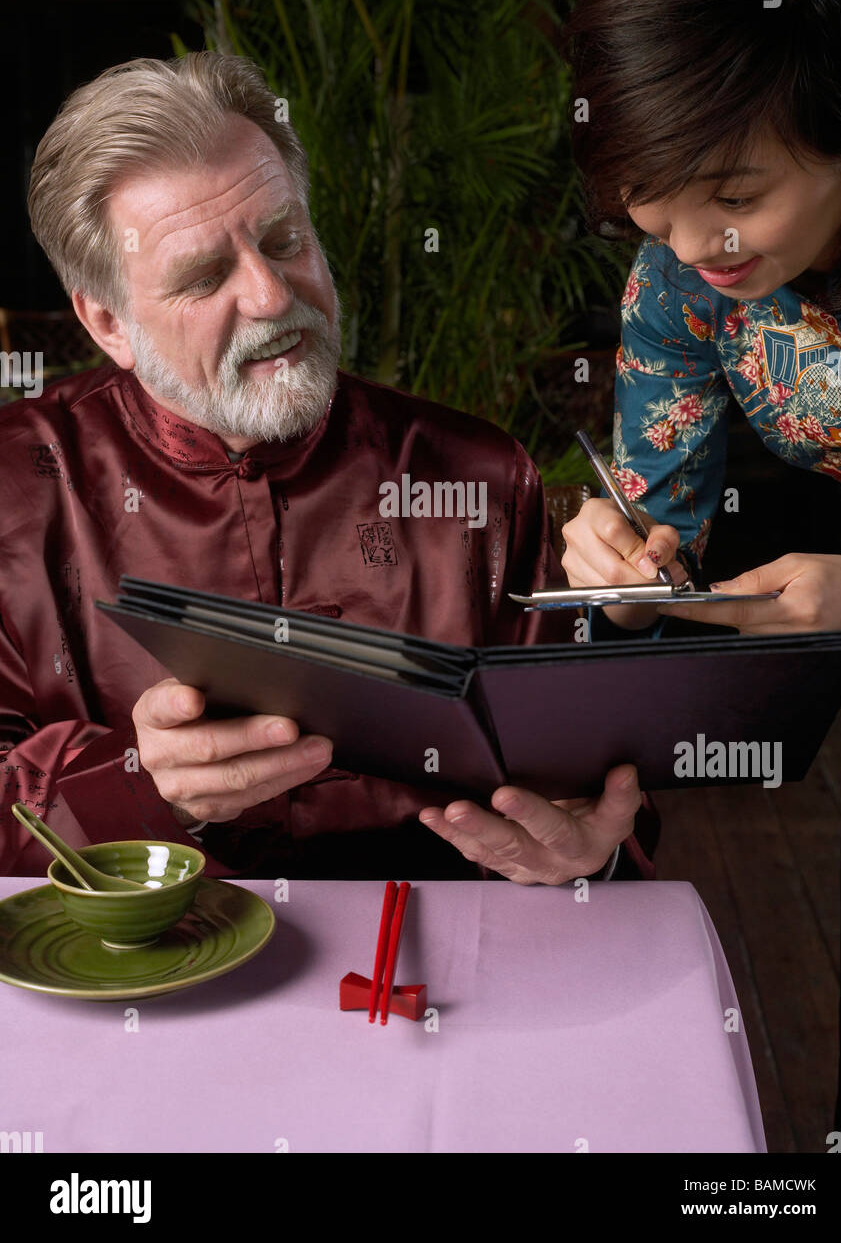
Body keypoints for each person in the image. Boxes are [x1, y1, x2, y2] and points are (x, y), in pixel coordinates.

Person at [0, 50, 650, 883]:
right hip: (131, 980)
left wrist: (584, 848)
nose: (273, 296)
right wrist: (138, 783)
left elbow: (596, 793)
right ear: (108, 324)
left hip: (445, 976)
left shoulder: (477, 476)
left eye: (285, 240)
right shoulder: (17, 491)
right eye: (205, 277)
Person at [557, 0, 841, 634]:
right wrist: (624, 583)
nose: (693, 248)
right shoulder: (675, 288)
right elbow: (663, 553)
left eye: (735, 200)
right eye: (648, 191)